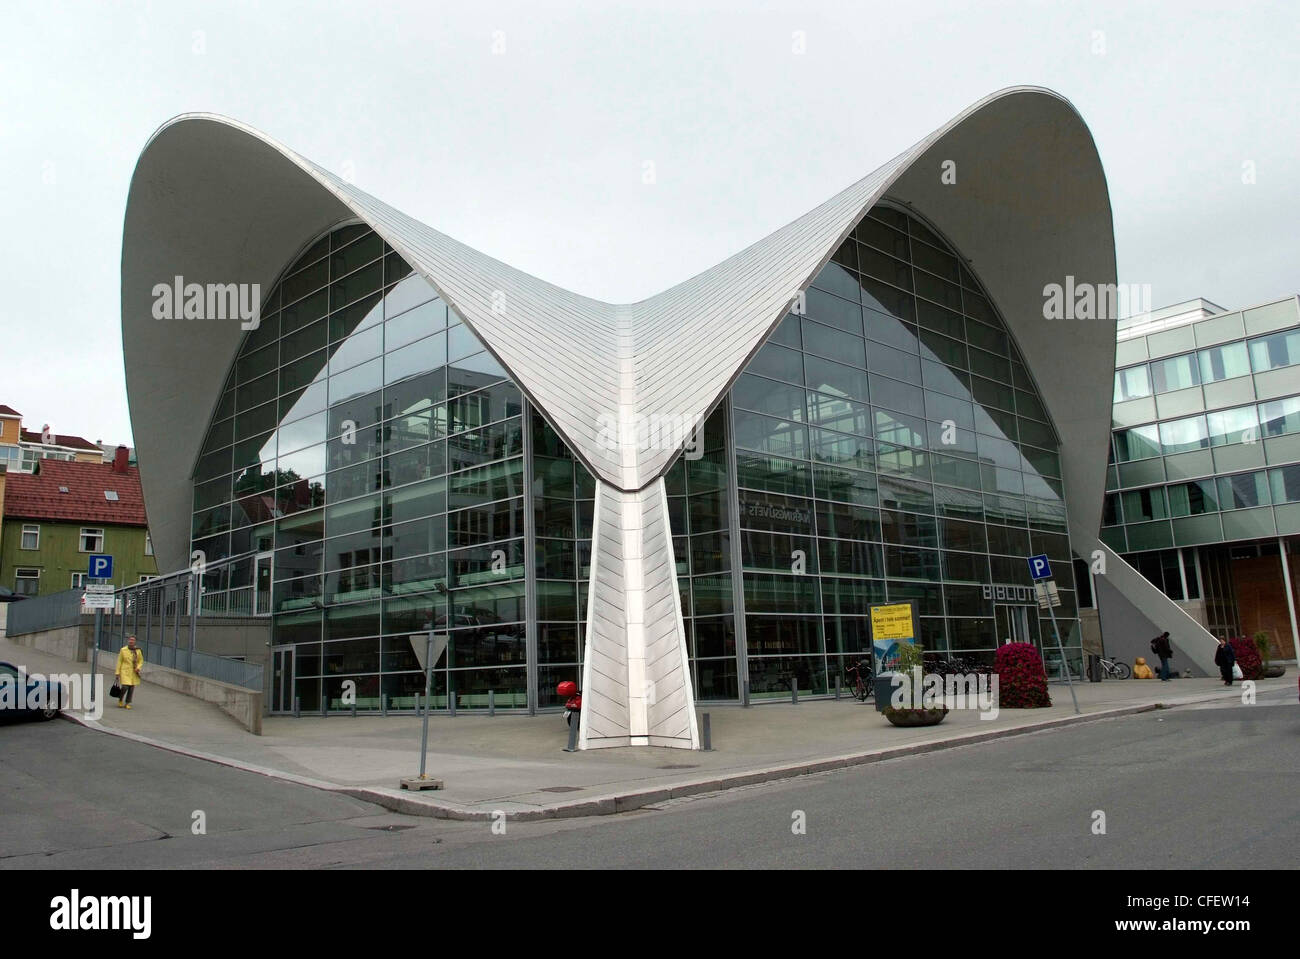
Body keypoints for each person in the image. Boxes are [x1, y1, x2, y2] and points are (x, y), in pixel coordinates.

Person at [115, 635, 144, 709]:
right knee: (125, 686)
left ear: (135, 642)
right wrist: (117, 672)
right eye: (130, 640)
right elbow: (119, 661)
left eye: (133, 640)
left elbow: (141, 660)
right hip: (125, 671)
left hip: (134, 672)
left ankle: (127, 703)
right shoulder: (123, 650)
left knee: (131, 688)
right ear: (128, 641)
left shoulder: (138, 650)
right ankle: (120, 699)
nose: (131, 641)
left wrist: (138, 668)